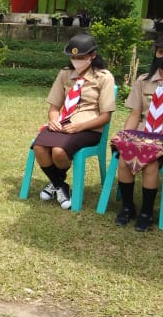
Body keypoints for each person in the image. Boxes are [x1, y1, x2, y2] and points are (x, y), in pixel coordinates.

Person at [111, 31, 163, 232]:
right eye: (160, 52)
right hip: (143, 134)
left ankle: (147, 212)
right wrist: (126, 137)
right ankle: (128, 207)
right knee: (124, 158)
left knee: (150, 164)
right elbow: (134, 115)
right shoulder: (143, 80)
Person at [31, 31, 116, 209]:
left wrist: (80, 127)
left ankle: (55, 183)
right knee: (39, 146)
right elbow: (54, 106)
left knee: (58, 151)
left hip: (89, 128)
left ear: (93, 55)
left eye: (81, 57)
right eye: (73, 57)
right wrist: (54, 120)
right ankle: (60, 184)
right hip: (63, 124)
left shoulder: (104, 77)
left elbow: (105, 116)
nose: (76, 60)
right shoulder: (65, 74)